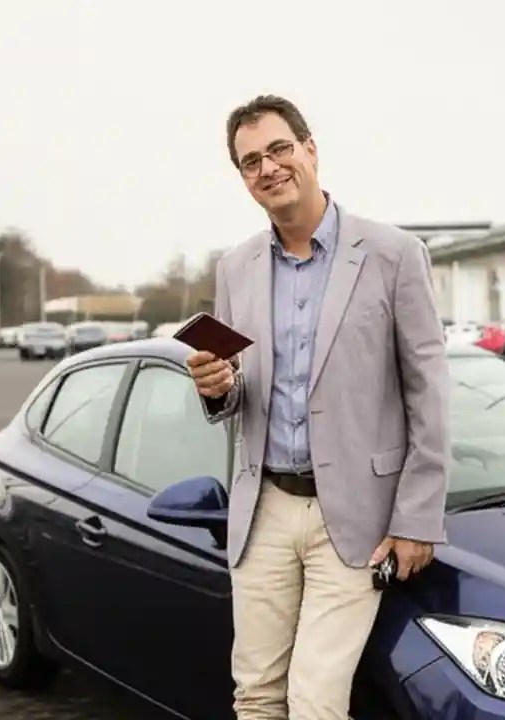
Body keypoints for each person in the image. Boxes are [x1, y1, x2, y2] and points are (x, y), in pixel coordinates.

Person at [186, 94, 451, 720]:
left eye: (279, 149)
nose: (268, 167)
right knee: (255, 695)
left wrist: (417, 518)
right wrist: (218, 386)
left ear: (310, 149)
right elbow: (241, 389)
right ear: (242, 177)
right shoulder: (235, 267)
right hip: (265, 512)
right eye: (250, 161)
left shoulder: (392, 254)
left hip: (354, 519)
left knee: (314, 701)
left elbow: (429, 392)